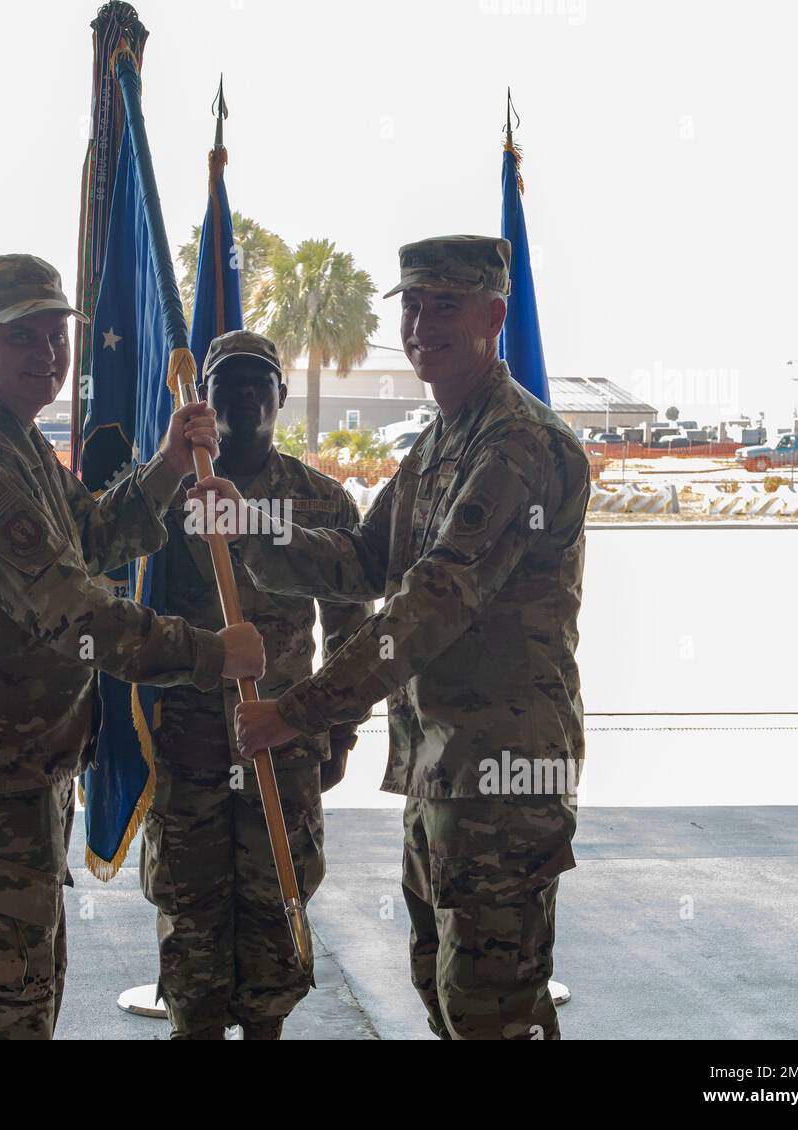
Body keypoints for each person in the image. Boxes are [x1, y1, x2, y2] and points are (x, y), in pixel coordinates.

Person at [195, 236, 589, 1040]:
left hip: (502, 778)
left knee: (493, 1009)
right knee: (446, 992)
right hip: (441, 770)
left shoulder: (516, 444)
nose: (421, 323)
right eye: (411, 304)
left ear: (494, 315)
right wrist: (250, 528)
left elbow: (429, 605)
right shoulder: (442, 441)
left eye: (445, 304)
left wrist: (295, 711)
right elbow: (365, 560)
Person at [0, 253, 265, 1039]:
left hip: (15, 777)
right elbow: (78, 618)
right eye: (21, 336)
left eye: (56, 334)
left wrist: (164, 468)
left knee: (24, 1000)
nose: (46, 354)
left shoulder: (14, 441)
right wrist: (212, 654)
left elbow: (90, 535)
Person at [143, 330, 370, 1039]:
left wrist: (339, 732)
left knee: (279, 903)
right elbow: (132, 608)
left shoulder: (321, 499)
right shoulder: (170, 493)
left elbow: (350, 625)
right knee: (192, 916)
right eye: (229, 381)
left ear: (279, 393)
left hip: (282, 738)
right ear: (206, 396)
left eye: (258, 380)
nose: (245, 392)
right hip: (190, 742)